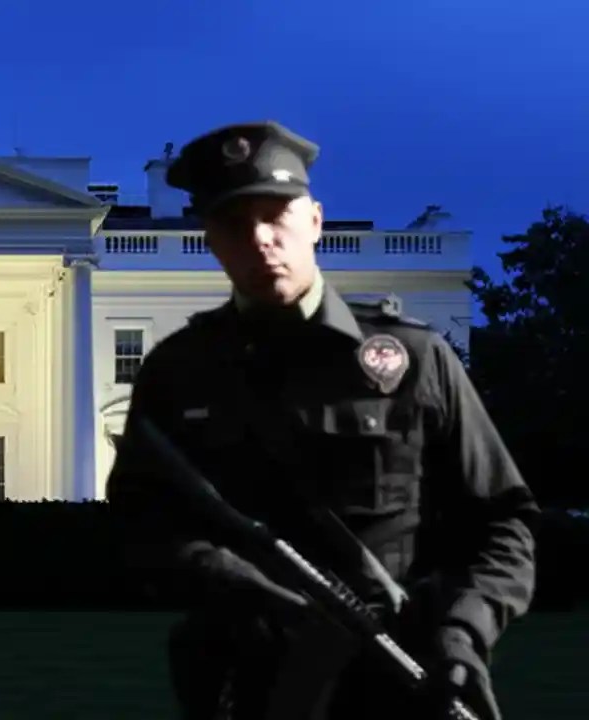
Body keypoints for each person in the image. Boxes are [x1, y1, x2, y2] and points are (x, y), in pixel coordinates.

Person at [104, 120, 539, 720]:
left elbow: (502, 522)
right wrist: (220, 576)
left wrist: (464, 630)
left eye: (276, 214)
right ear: (210, 240)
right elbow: (137, 524)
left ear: (314, 221)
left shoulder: (413, 358)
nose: (261, 238)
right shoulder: (178, 371)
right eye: (234, 223)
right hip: (248, 681)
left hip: (400, 675)